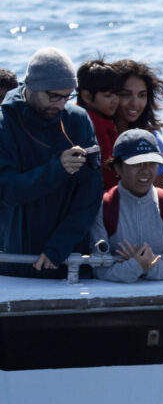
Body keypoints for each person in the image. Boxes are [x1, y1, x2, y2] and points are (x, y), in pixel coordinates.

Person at [0, 47, 102, 277]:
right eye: (54, 96)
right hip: (15, 260)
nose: (60, 104)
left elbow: (90, 193)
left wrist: (60, 245)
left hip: (69, 257)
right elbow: (7, 191)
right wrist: (58, 169)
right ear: (31, 87)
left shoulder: (78, 119)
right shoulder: (4, 123)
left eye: (67, 96)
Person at [90, 129, 163, 284]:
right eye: (136, 164)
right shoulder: (102, 206)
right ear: (118, 168)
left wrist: (145, 266)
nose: (145, 171)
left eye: (151, 163)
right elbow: (99, 268)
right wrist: (138, 265)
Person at [111, 59, 163, 187]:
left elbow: (156, 191)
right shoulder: (97, 132)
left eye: (142, 95)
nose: (135, 103)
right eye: (126, 95)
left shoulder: (152, 138)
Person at [75, 59, 121, 176]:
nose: (115, 100)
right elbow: (107, 169)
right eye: (108, 95)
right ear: (87, 96)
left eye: (117, 94)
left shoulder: (76, 116)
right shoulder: (96, 125)